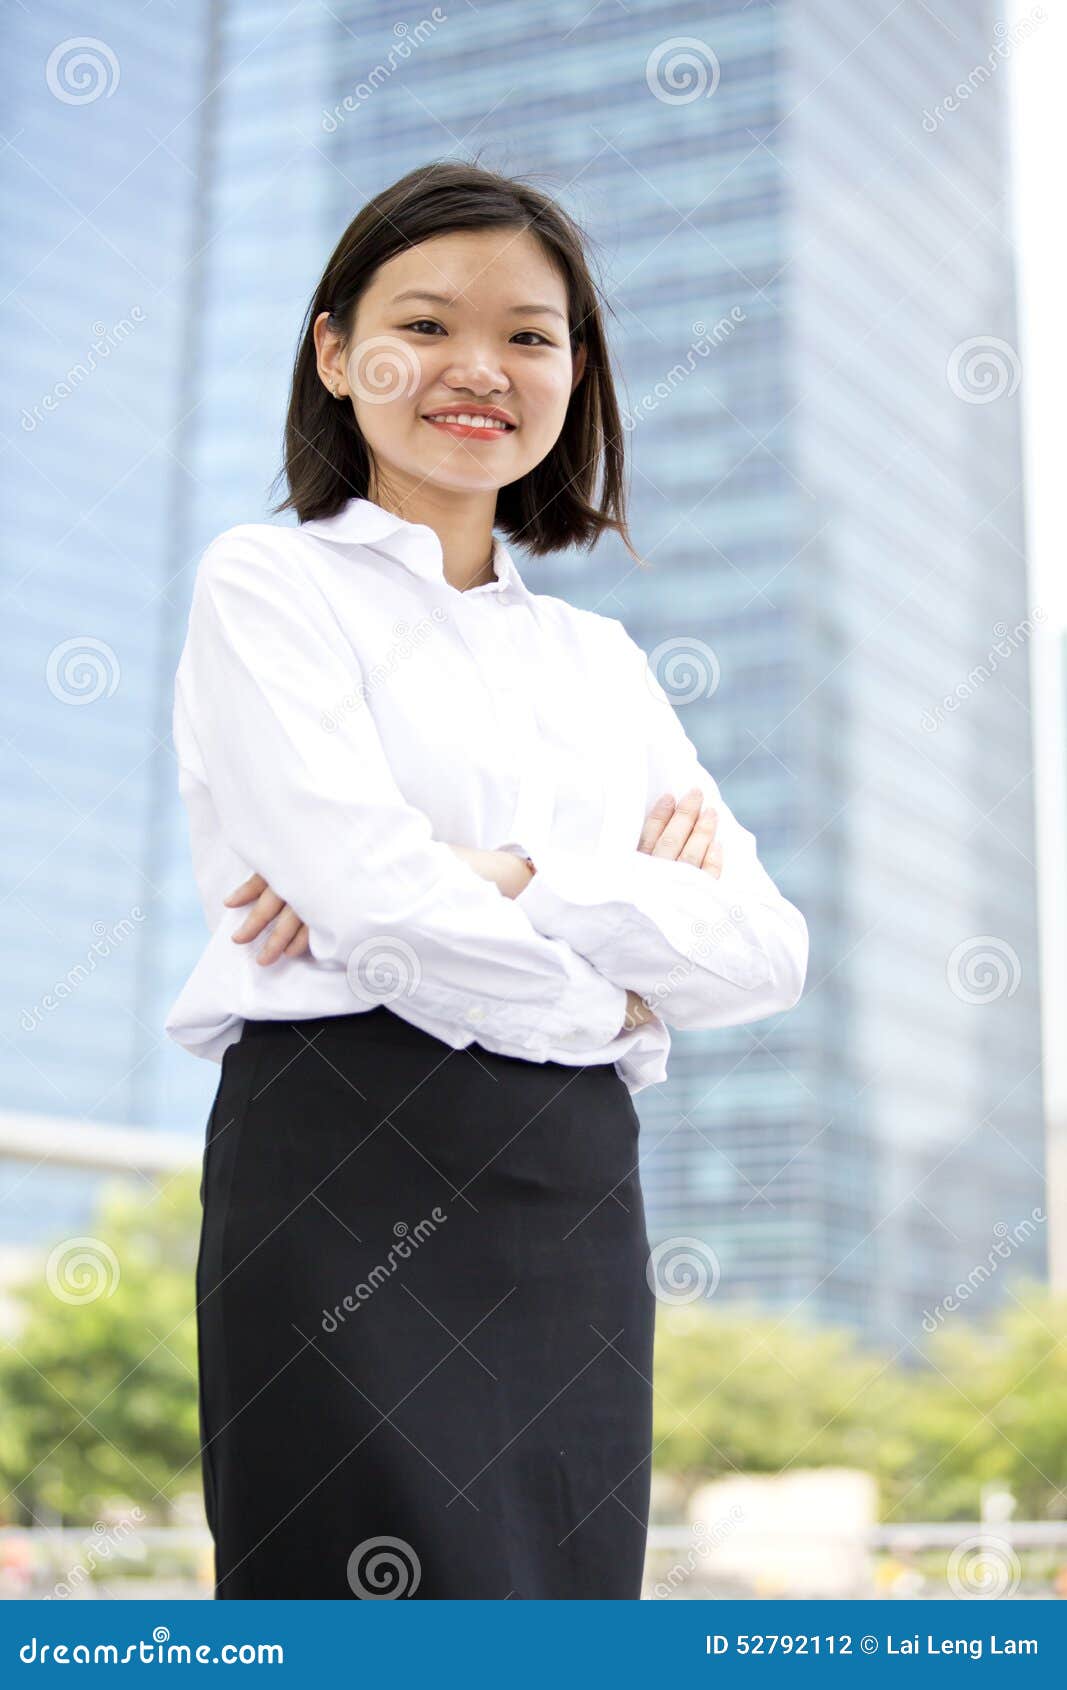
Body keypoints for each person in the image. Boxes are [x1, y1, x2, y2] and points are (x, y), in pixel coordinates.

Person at [164, 159, 808, 1600]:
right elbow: (379, 901)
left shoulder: (603, 665)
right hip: (341, 1156)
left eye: (530, 334)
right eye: (428, 325)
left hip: (569, 1202)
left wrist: (513, 871)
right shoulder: (269, 585)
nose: (483, 368)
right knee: (354, 1611)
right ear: (337, 352)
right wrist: (623, 1000)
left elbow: (765, 952)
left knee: (563, 1608)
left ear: (576, 373)